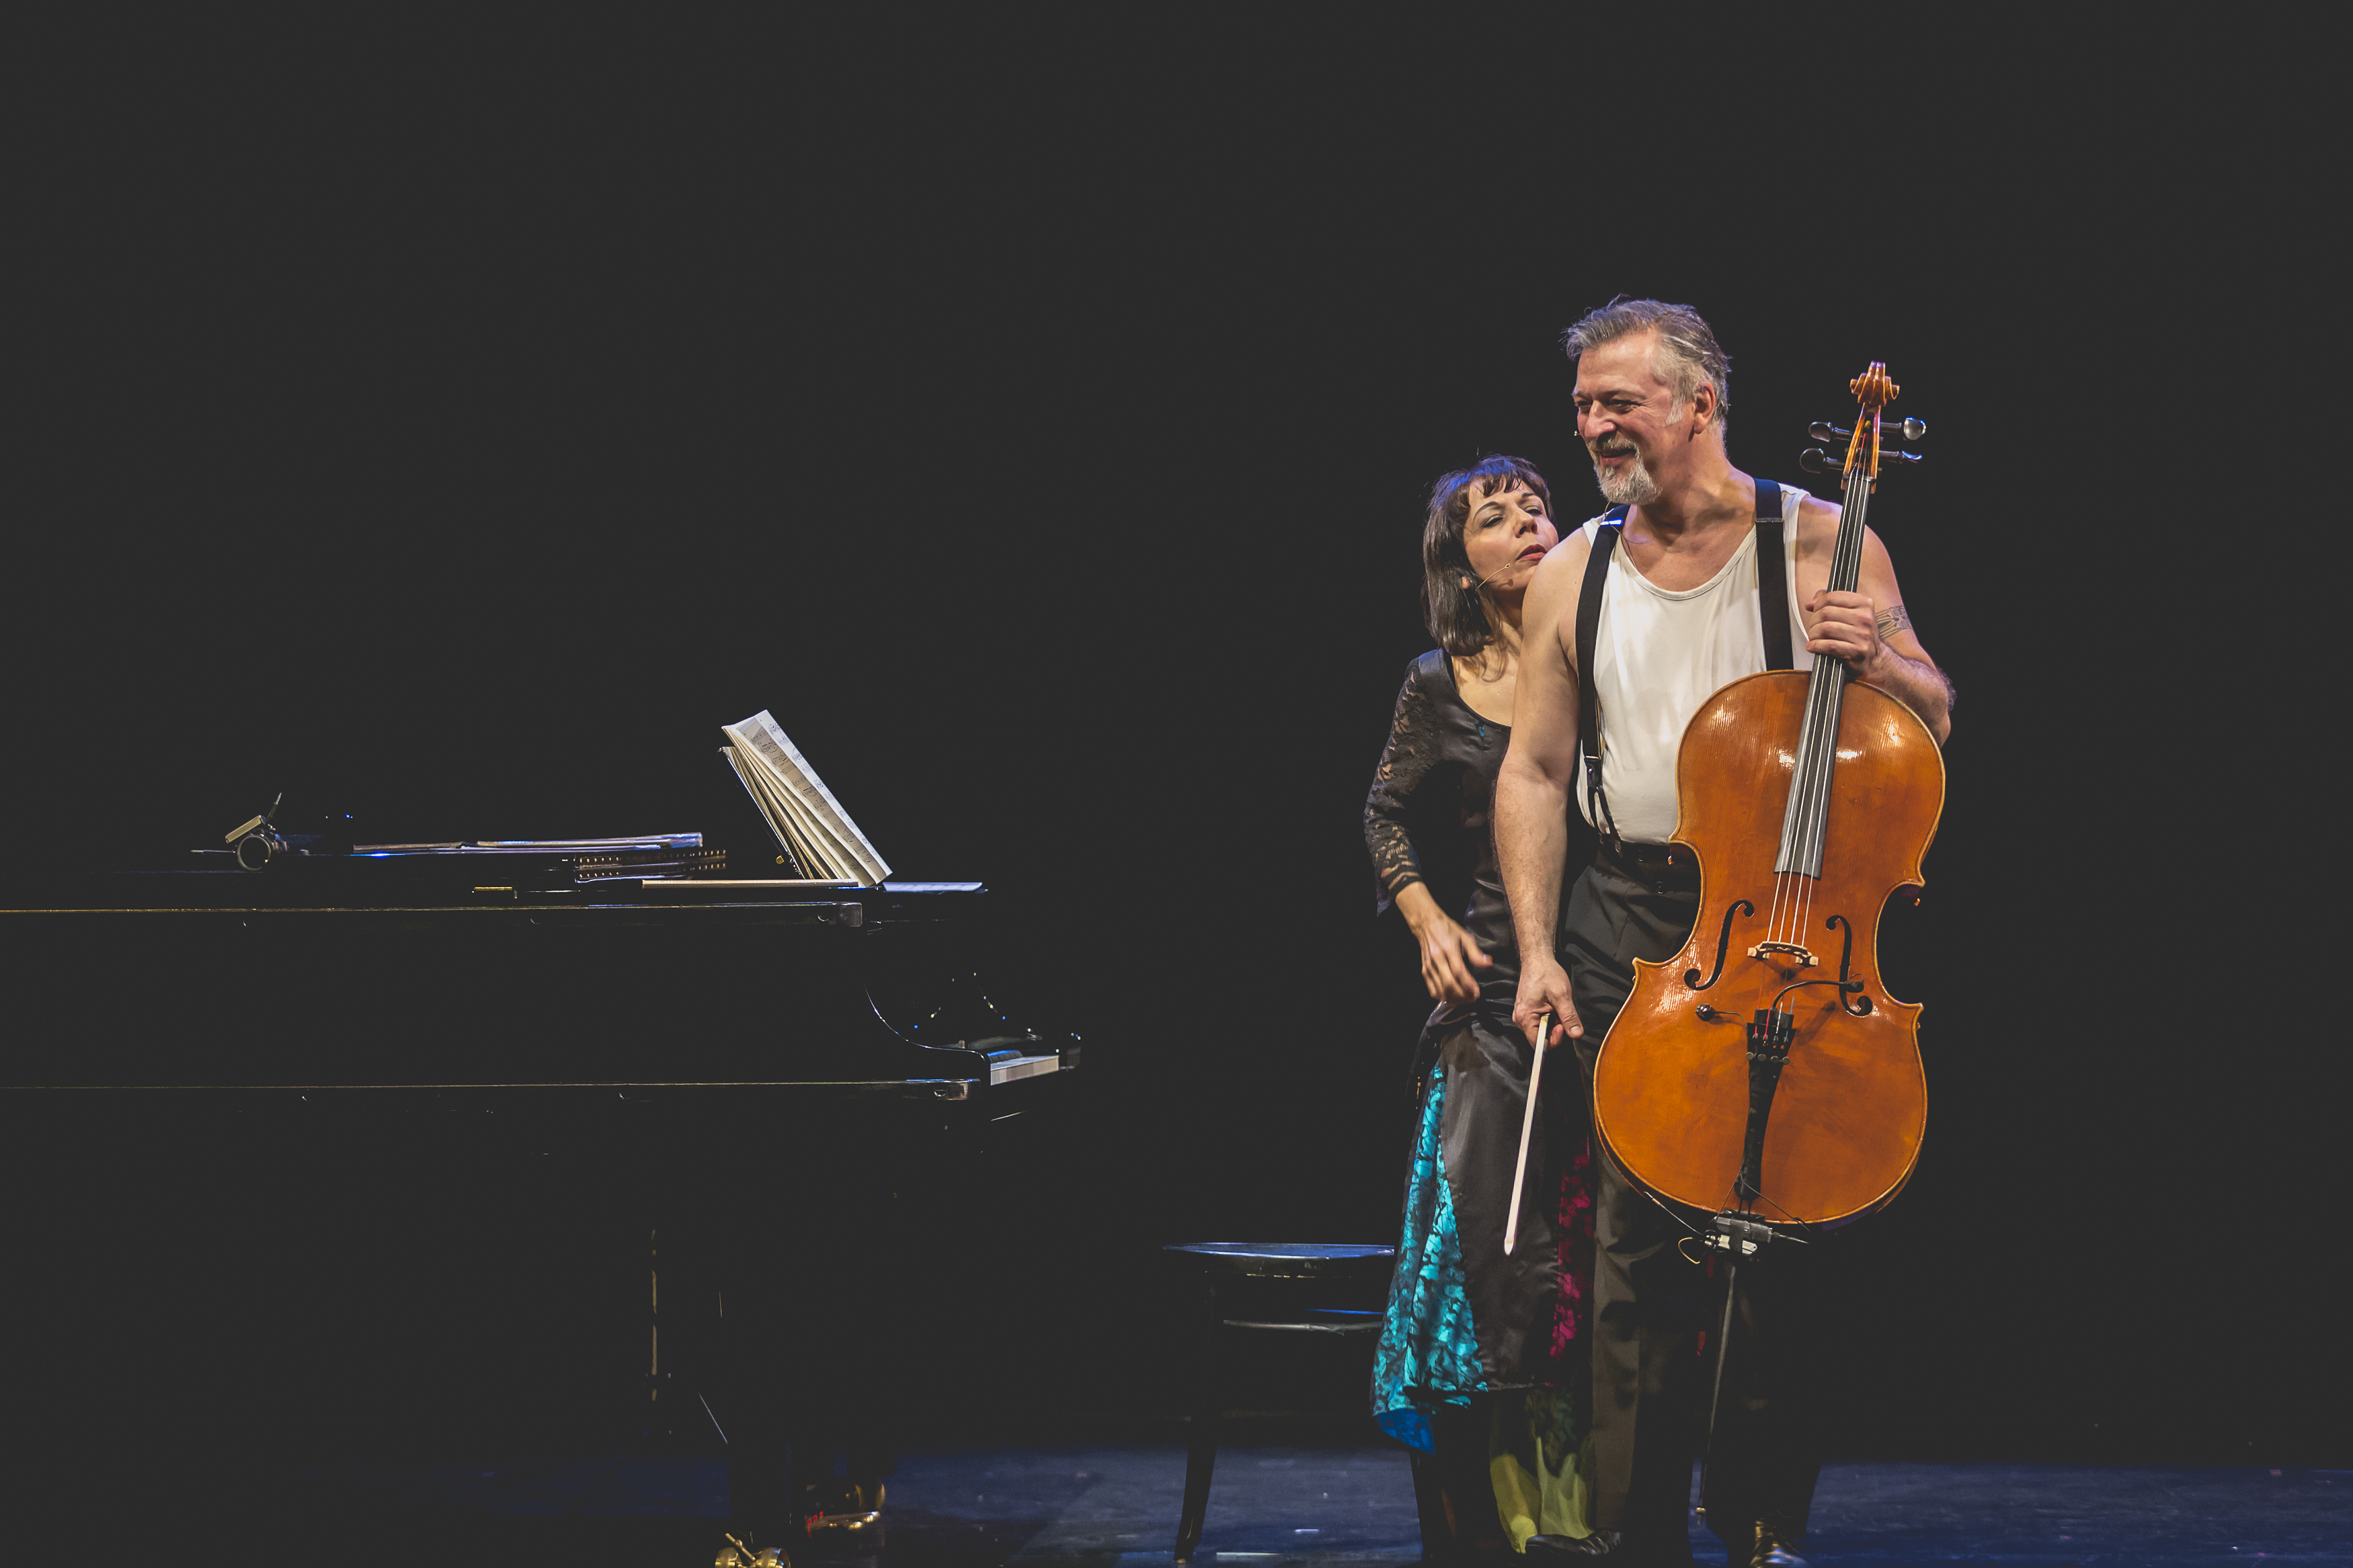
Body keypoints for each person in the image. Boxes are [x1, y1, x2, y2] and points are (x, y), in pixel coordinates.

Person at [1494, 300, 1952, 1568]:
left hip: (1789, 917)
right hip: (1634, 918)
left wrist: (1889, 666)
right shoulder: (1570, 570)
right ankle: (1639, 1542)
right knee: (1631, 1247)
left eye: (1618, 401)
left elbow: (1935, 714)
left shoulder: (1814, 539)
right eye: (1583, 403)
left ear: (1700, 405)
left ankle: (1754, 1524)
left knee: (1788, 1244)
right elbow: (1533, 769)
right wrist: (1537, 947)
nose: (1593, 424)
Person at [1365, 455, 1603, 1557]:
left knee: (1595, 1268)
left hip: (1604, 980)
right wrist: (1424, 918)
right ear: (1461, 559)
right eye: (1497, 517)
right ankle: (1476, 1527)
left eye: (1539, 509)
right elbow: (1383, 815)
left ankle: (1589, 1516)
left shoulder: (1601, 653)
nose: (1527, 524)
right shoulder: (1437, 679)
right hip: (1490, 994)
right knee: (1481, 1271)